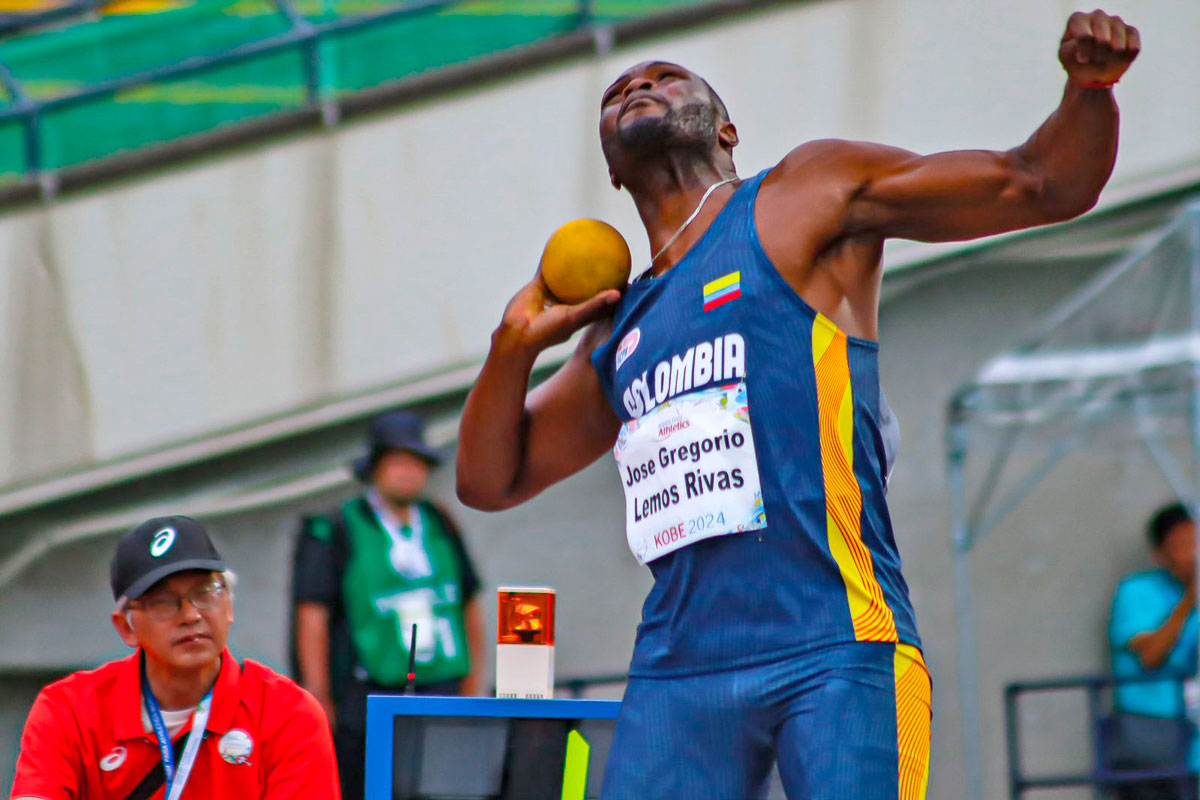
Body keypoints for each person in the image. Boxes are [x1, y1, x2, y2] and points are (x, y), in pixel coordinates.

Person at [456, 10, 1139, 800]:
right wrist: (512, 346)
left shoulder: (804, 195)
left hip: (836, 643)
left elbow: (1042, 183)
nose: (639, 83)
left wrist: (1089, 91)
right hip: (679, 670)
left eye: (667, 77)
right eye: (617, 92)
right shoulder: (619, 330)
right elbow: (489, 480)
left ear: (727, 131)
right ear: (611, 172)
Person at [8, 515, 339, 800]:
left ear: (229, 605)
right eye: (163, 602)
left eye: (205, 592)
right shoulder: (68, 710)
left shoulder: (286, 713)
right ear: (126, 627)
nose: (191, 615)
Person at [292, 409, 483, 800]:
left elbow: (468, 601)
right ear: (374, 468)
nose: (407, 472)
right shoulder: (338, 527)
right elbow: (313, 614)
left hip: (441, 688)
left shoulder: (440, 521)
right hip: (369, 696)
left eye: (415, 462)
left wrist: (473, 681)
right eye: (396, 461)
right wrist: (317, 696)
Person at [1108, 502, 1199, 800]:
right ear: (1159, 554)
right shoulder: (1137, 591)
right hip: (1150, 728)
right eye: (1182, 545)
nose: (1193, 554)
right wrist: (1189, 600)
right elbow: (1151, 656)